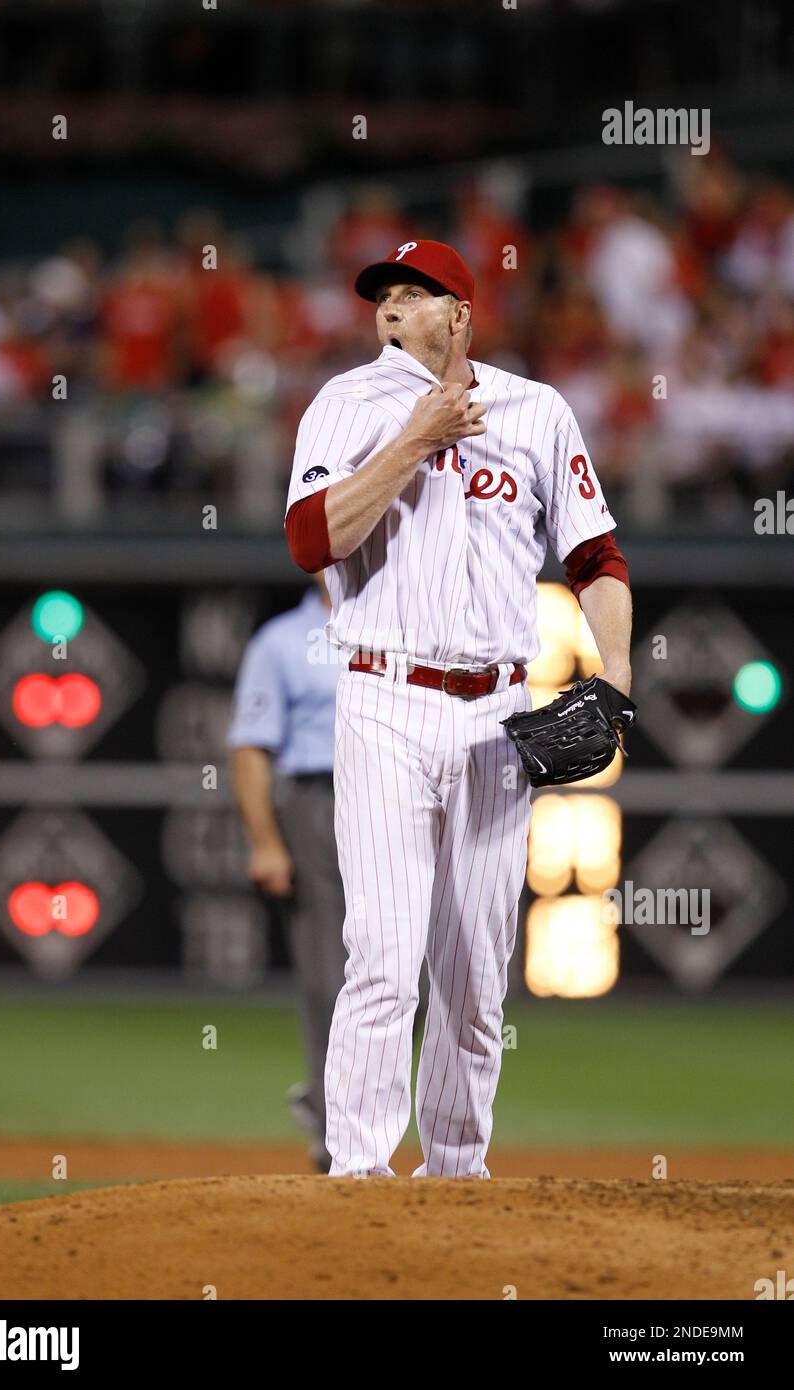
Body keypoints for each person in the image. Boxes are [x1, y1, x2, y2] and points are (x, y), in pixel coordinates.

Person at [283, 239, 632, 1178]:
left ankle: (456, 1179)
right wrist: (415, 439)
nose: (392, 313)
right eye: (382, 299)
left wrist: (622, 678)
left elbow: (595, 557)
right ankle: (356, 1173)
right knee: (386, 958)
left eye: (414, 296)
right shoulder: (347, 406)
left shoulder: (536, 411)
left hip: (495, 714)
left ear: (460, 315)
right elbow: (311, 540)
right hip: (385, 699)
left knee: (477, 980)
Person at [226, 572, 346, 1172]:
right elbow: (251, 746)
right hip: (316, 799)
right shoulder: (280, 641)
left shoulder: (402, 618)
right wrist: (266, 840)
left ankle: (387, 1113)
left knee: (417, 973)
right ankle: (333, 1133)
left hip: (401, 795)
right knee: (328, 974)